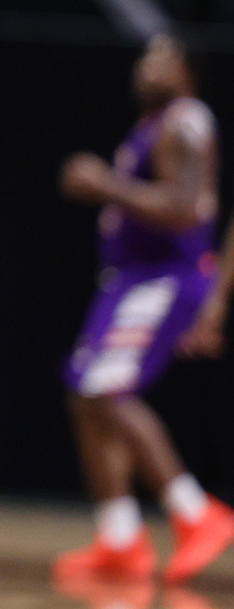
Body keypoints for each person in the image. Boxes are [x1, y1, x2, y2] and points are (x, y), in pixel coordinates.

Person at [54, 33, 234, 585]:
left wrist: (105, 185)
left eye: (165, 57)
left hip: (163, 278)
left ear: (189, 73)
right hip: (131, 279)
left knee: (105, 390)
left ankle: (195, 513)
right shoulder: (151, 126)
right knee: (84, 391)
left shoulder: (186, 120)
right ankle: (120, 538)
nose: (149, 65)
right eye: (146, 55)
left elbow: (185, 207)